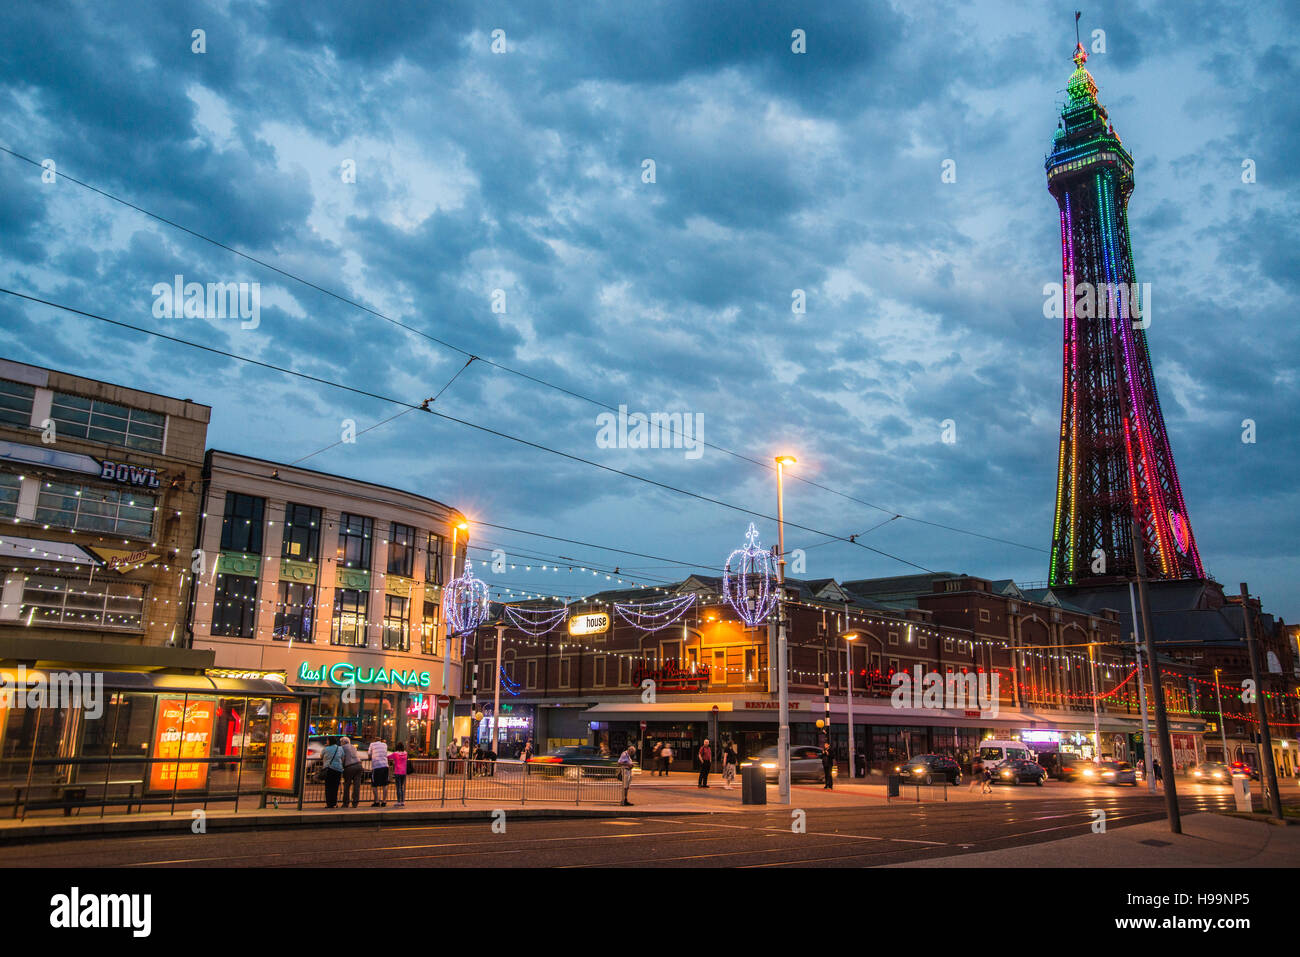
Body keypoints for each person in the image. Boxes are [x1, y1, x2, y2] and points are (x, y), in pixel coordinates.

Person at [340, 736, 364, 808]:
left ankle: (346, 803)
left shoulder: (342, 748)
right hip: (359, 765)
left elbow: (343, 758)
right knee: (357, 785)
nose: (340, 743)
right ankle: (355, 803)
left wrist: (342, 766)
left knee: (347, 785)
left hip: (349, 766)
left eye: (341, 742)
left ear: (343, 742)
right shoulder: (353, 747)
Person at [321, 738, 345, 808]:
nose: (326, 741)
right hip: (338, 770)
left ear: (330, 741)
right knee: (335, 787)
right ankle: (334, 803)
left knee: (328, 787)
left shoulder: (326, 749)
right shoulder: (340, 748)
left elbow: (321, 756)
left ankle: (329, 803)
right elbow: (343, 758)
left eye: (327, 740)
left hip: (329, 769)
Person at [368, 738, 390, 806]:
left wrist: (370, 757)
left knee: (374, 784)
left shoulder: (372, 744)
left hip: (376, 766)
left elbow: (369, 754)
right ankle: (384, 801)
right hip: (385, 765)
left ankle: (377, 801)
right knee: (385, 784)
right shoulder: (385, 745)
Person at [391, 741, 409, 807]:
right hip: (403, 772)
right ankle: (402, 801)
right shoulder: (405, 753)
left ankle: (398, 801)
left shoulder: (395, 753)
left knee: (398, 787)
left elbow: (388, 757)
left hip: (397, 771)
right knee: (401, 787)